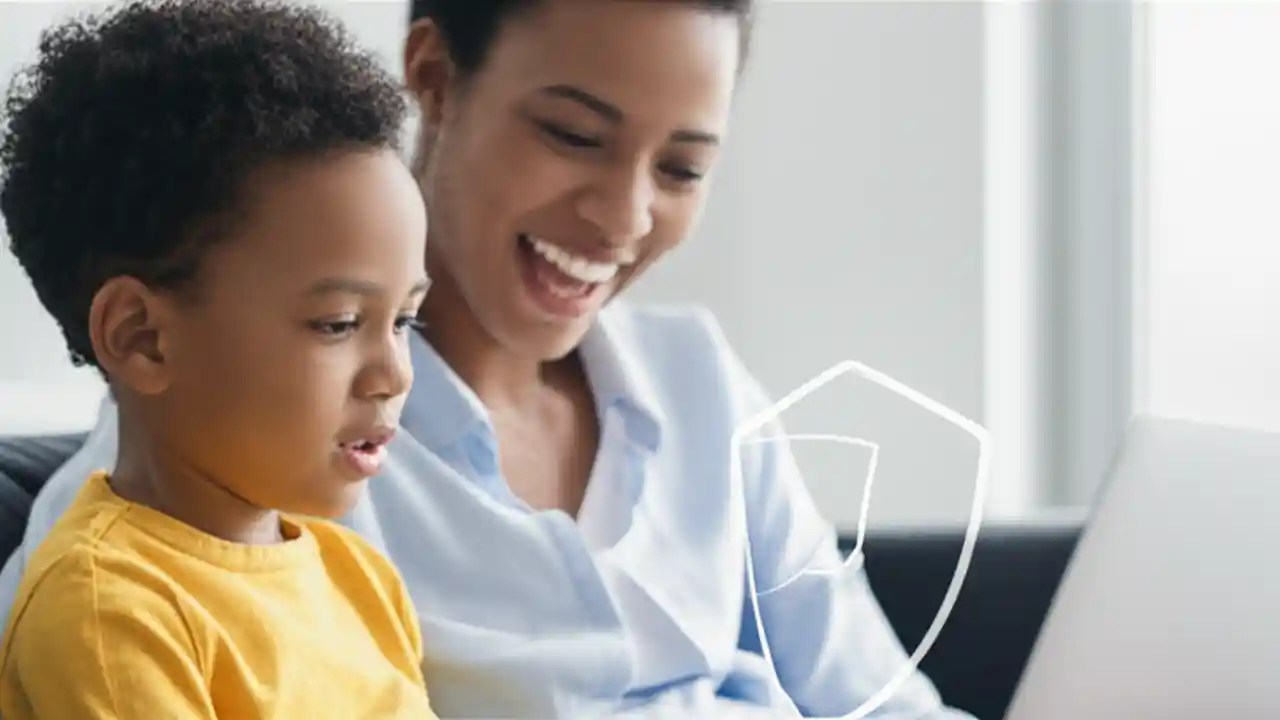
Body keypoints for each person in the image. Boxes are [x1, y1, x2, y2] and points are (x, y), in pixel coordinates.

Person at [0, 0, 974, 717]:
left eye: (680, 168)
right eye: (572, 134)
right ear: (432, 75)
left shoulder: (697, 381)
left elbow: (875, 697)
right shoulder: (246, 460)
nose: (623, 217)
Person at [0, 1, 435, 718]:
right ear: (143, 337)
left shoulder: (358, 577)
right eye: (338, 324)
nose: (394, 374)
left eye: (405, 320)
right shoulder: (109, 612)